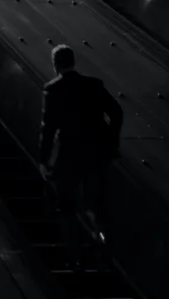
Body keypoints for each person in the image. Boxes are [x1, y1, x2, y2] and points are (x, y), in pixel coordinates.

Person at [39, 45, 123, 267]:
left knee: (67, 207)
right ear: (73, 62)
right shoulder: (94, 85)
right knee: (96, 205)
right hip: (97, 155)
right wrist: (111, 142)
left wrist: (43, 160)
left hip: (69, 157)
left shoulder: (53, 89)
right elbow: (116, 112)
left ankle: (74, 258)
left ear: (55, 65)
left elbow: (48, 129)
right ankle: (102, 244)